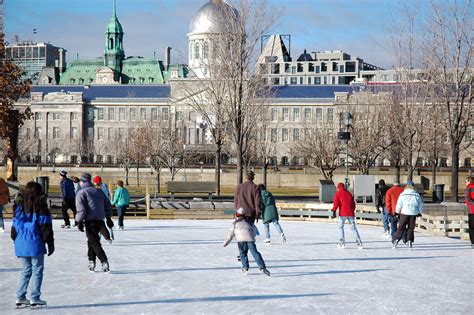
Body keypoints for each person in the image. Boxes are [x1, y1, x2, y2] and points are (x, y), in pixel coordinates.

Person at [11, 181, 54, 308]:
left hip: (21, 241)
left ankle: (20, 296)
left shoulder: (19, 206)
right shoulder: (40, 206)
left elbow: (14, 228)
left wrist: (16, 240)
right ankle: (35, 297)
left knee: (26, 270)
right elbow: (46, 228)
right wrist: (50, 243)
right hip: (35, 242)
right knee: (37, 270)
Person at [75, 173, 114, 272]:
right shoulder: (99, 191)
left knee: (94, 242)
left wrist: (78, 221)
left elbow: (81, 209)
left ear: (82, 182)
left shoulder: (82, 192)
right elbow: (107, 205)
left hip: (90, 221)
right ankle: (91, 261)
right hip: (100, 220)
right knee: (91, 241)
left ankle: (104, 261)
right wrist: (108, 218)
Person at [223, 208, 270, 276]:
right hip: (250, 239)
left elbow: (230, 235)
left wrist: (225, 243)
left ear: (237, 215)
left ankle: (245, 268)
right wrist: (252, 236)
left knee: (243, 253)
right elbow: (255, 230)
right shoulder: (249, 222)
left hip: (240, 240)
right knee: (255, 253)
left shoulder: (235, 223)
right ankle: (262, 267)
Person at [331, 183, 363, 249]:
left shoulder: (338, 194)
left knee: (340, 227)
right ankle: (359, 243)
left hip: (343, 214)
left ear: (338, 188)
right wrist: (352, 210)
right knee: (353, 228)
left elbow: (336, 203)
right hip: (350, 213)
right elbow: (353, 204)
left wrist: (333, 211)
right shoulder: (349, 193)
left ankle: (342, 243)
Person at [393, 180, 423, 248]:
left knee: (401, 226)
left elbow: (399, 204)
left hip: (405, 212)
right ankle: (410, 240)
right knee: (410, 228)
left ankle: (397, 239)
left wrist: (397, 212)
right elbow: (420, 205)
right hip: (413, 212)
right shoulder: (417, 194)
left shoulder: (403, 194)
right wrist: (419, 212)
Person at [464, 176, 474, 249]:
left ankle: (473, 241)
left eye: (466, 181)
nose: (465, 182)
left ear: (469, 181)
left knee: (472, 227)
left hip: (472, 210)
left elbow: (467, 198)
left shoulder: (468, 188)